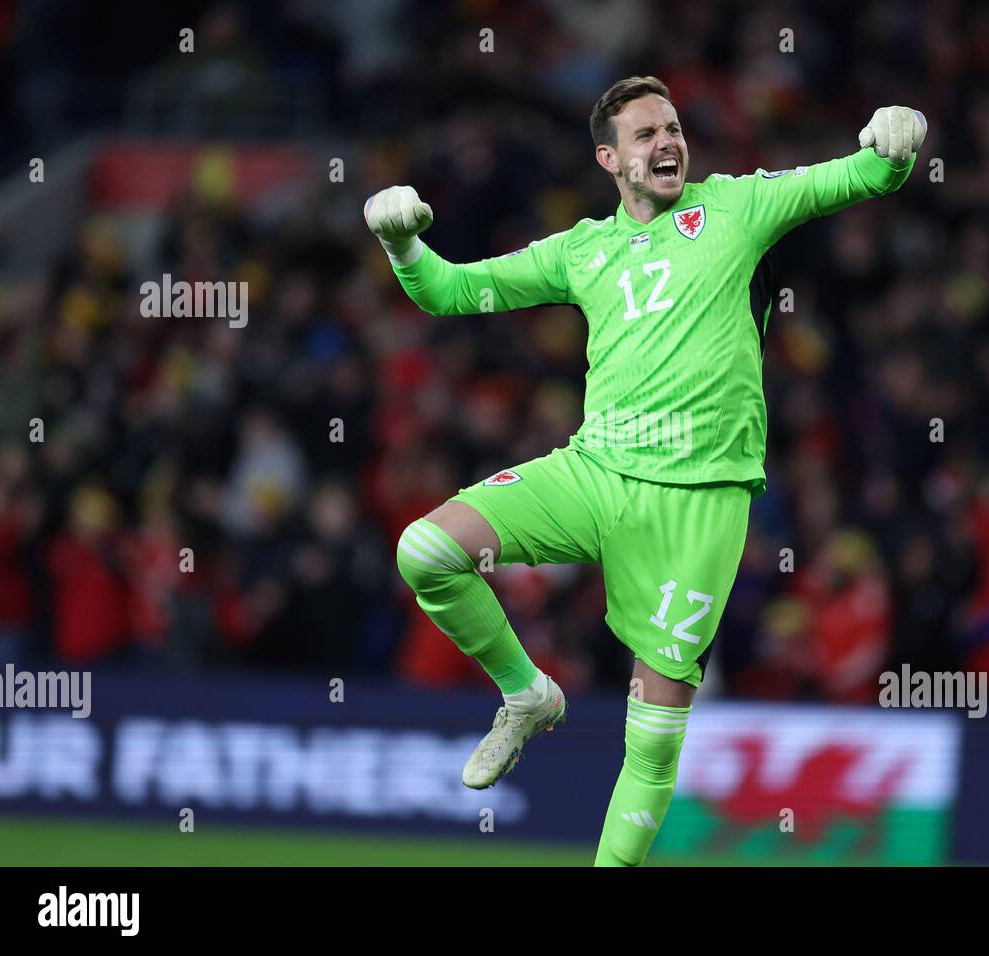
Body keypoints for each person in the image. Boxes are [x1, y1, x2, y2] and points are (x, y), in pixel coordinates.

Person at [366, 76, 925, 866]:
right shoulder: (581, 250)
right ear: (609, 158)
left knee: (654, 740)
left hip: (700, 504)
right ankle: (526, 694)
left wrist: (897, 140)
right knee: (424, 550)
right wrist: (401, 244)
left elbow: (855, 175)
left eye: (672, 127)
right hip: (594, 474)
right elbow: (450, 291)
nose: (666, 142)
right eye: (644, 134)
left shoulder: (737, 207)